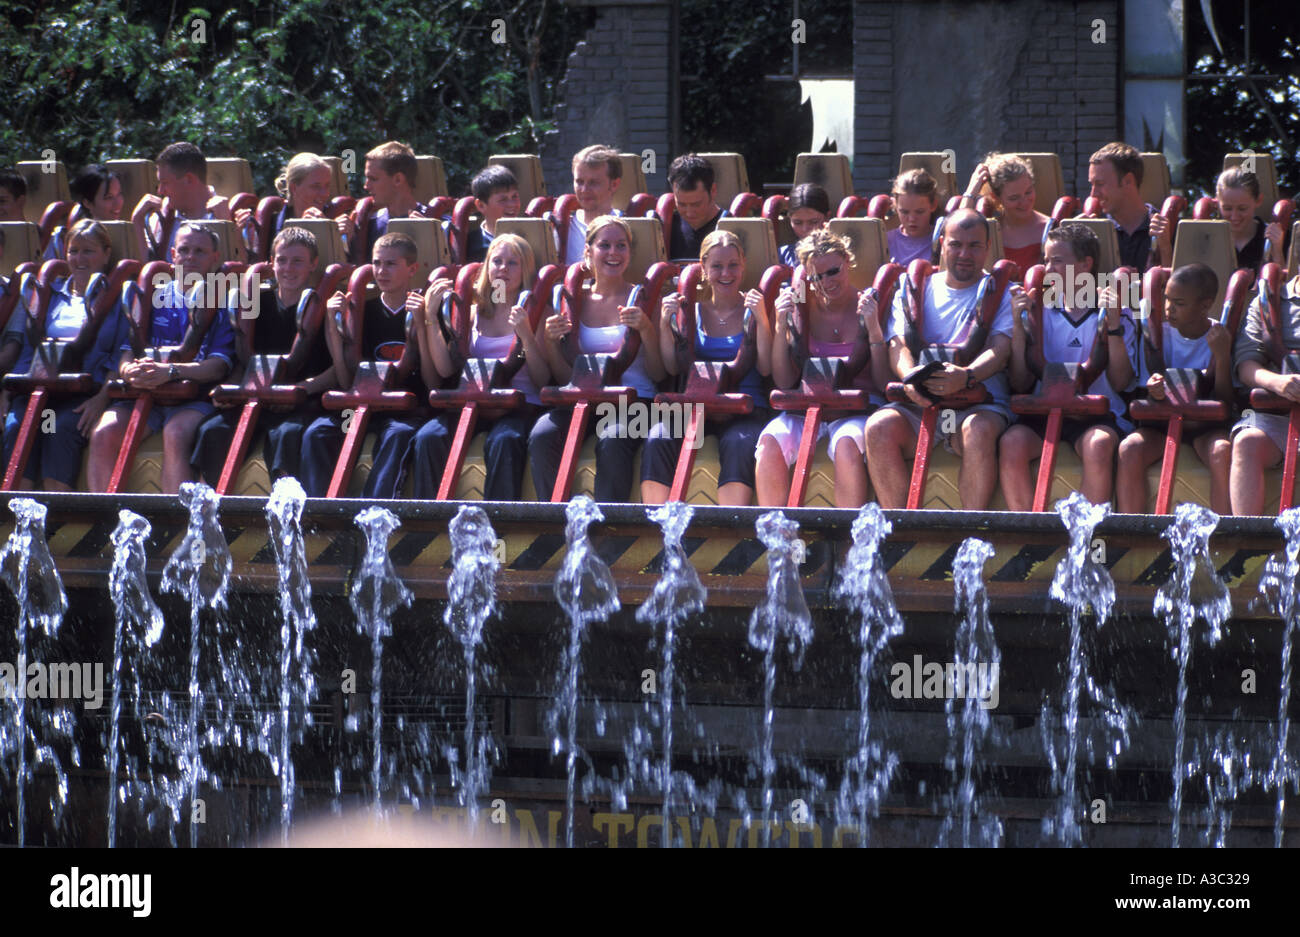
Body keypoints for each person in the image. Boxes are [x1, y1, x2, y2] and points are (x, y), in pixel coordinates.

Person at [864, 208, 1014, 510]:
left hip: (977, 404)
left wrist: (967, 375)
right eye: (956, 244)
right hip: (920, 405)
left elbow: (1000, 349)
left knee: (979, 431)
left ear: (987, 248)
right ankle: (899, 533)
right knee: (879, 426)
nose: (964, 253)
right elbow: (898, 344)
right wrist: (910, 379)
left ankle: (972, 535)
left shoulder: (1004, 293)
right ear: (941, 243)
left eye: (974, 246)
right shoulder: (913, 287)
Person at [85, 223, 236, 492]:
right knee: (104, 431)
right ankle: (105, 523)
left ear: (215, 258)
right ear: (173, 255)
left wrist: (172, 372)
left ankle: (175, 525)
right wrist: (129, 371)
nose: (190, 257)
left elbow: (217, 367)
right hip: (147, 395)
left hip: (193, 397)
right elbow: (127, 352)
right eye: (185, 250)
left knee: (176, 434)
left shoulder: (224, 300)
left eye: (200, 251)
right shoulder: (153, 297)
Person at [998, 223, 1137, 509]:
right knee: (1012, 442)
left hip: (1097, 412)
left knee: (1098, 445)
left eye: (1057, 261)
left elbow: (1121, 382)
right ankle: (1029, 534)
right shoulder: (1039, 308)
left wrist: (1113, 327)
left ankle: (1084, 537)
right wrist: (1018, 327)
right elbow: (1021, 380)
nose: (1048, 269)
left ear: (1085, 264)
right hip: (1044, 408)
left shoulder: (1116, 308)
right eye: (1046, 260)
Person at [530, 216, 665, 501]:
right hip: (582, 399)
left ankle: (610, 533)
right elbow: (564, 377)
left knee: (613, 439)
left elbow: (659, 373)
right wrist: (552, 343)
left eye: (621, 246)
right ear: (588, 251)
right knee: (543, 435)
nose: (613, 253)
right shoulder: (572, 301)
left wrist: (646, 330)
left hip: (636, 403)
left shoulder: (643, 299)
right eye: (604, 245)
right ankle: (555, 524)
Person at [190, 226, 335, 487]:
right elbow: (243, 356)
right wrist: (231, 392)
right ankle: (211, 510)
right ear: (271, 262)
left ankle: (287, 514)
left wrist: (306, 387)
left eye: (297, 261)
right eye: (281, 260)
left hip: (300, 400)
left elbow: (337, 369)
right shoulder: (257, 301)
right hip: (256, 395)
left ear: (313, 264)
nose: (288, 268)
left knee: (287, 434)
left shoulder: (322, 304)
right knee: (213, 430)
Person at [409, 233, 550, 500]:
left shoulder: (538, 311)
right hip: (472, 401)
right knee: (429, 436)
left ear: (525, 270)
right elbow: (444, 369)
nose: (503, 269)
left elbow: (542, 380)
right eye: (497, 261)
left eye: (513, 263)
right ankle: (426, 519)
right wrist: (430, 317)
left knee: (504, 441)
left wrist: (527, 335)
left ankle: (501, 521)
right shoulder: (474, 312)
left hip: (518, 405)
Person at [755, 228, 890, 508]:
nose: (826, 282)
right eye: (816, 277)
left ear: (846, 262)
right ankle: (776, 538)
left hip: (856, 406)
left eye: (833, 271)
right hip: (809, 406)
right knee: (769, 440)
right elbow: (783, 380)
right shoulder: (803, 307)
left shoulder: (867, 303)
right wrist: (782, 325)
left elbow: (882, 382)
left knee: (845, 444)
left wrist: (875, 330)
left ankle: (847, 542)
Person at [642, 230, 773, 505]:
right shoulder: (693, 311)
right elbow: (671, 367)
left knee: (737, 443)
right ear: (703, 268)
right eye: (717, 266)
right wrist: (665, 325)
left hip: (745, 407)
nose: (726, 273)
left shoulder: (754, 308)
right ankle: (657, 525)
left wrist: (762, 319)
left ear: (743, 265)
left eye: (733, 265)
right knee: (658, 437)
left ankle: (731, 527)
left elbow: (764, 368)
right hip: (696, 407)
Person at [0, 220, 126, 490]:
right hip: (41, 390)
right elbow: (29, 349)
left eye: (88, 251)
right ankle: (16, 514)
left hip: (83, 392)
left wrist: (103, 398)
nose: (79, 259)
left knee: (58, 428)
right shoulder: (50, 294)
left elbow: (121, 352)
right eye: (74, 251)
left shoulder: (118, 299)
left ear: (106, 254)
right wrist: (8, 392)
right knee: (17, 426)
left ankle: (58, 518)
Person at [300, 232, 427, 498]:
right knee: (319, 432)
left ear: (412, 268)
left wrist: (424, 323)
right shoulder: (361, 311)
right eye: (377, 263)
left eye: (391, 264)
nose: (381, 271)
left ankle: (371, 513)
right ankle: (319, 515)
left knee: (398, 434)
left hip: (403, 410)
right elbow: (346, 379)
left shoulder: (421, 310)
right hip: (360, 408)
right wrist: (333, 327)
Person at [1115, 263, 1232, 514]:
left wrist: (1222, 358)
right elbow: (1147, 389)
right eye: (1167, 299)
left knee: (1222, 451)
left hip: (1204, 426)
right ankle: (1130, 531)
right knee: (1130, 448)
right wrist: (1154, 391)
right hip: (1161, 423)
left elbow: (1225, 398)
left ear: (1204, 305)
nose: (1169, 308)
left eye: (1179, 303)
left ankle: (1225, 533)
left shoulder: (1218, 336)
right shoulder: (1157, 334)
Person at [1228, 268, 1300, 516]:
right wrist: (1278, 383)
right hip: (1278, 413)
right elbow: (1247, 367)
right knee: (1246, 441)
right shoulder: (1268, 301)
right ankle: (1248, 545)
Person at [131, 142, 231, 261]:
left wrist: (228, 228)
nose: (160, 191)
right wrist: (137, 221)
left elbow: (240, 272)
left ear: (189, 179)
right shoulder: (161, 217)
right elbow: (148, 270)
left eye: (165, 183)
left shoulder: (228, 214)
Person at [340, 141, 433, 264]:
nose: (366, 186)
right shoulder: (367, 225)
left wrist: (429, 239)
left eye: (373, 179)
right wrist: (343, 239)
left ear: (398, 180)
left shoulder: (435, 222)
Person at [234, 152, 335, 254]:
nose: (325, 193)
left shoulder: (335, 221)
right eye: (316, 186)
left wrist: (331, 233)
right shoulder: (268, 224)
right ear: (294, 188)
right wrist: (240, 238)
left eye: (327, 185)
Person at [964, 153, 1048, 272]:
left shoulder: (1049, 228)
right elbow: (958, 230)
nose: (1024, 202)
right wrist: (970, 192)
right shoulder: (989, 230)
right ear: (996, 197)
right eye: (1014, 198)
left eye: (1028, 192)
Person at [1087, 142, 1163, 271]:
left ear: (1128, 181)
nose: (1093, 194)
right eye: (1092, 184)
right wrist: (1076, 243)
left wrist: (1165, 248)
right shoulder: (1095, 230)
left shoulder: (1165, 230)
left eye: (1100, 184)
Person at [1210, 167, 1287, 272]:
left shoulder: (1271, 239)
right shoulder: (1209, 237)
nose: (1234, 216)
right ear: (1217, 203)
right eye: (1227, 208)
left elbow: (1288, 284)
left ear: (1258, 200)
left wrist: (1277, 252)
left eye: (1242, 209)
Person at [44, 164, 126, 261]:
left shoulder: (131, 232)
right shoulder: (66, 239)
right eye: (109, 197)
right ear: (87, 203)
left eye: (119, 194)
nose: (118, 203)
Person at [560, 145, 623, 265]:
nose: (584, 190)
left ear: (614, 184)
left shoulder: (627, 225)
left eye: (593, 183)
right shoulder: (560, 228)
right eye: (579, 182)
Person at [667, 154, 726, 262]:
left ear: (713, 190)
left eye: (696, 204)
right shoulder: (666, 226)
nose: (689, 213)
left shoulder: (730, 226)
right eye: (681, 204)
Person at [465, 164, 522, 263]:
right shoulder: (472, 245)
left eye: (514, 196)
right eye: (503, 199)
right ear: (481, 206)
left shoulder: (530, 238)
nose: (512, 204)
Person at [886, 168, 940, 266]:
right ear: (895, 206)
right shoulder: (885, 241)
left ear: (933, 205)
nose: (911, 219)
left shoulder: (941, 241)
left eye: (919, 212)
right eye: (904, 212)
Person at [778, 183, 830, 267]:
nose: (805, 229)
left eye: (814, 222)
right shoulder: (782, 255)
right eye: (797, 223)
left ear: (827, 218)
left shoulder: (840, 255)